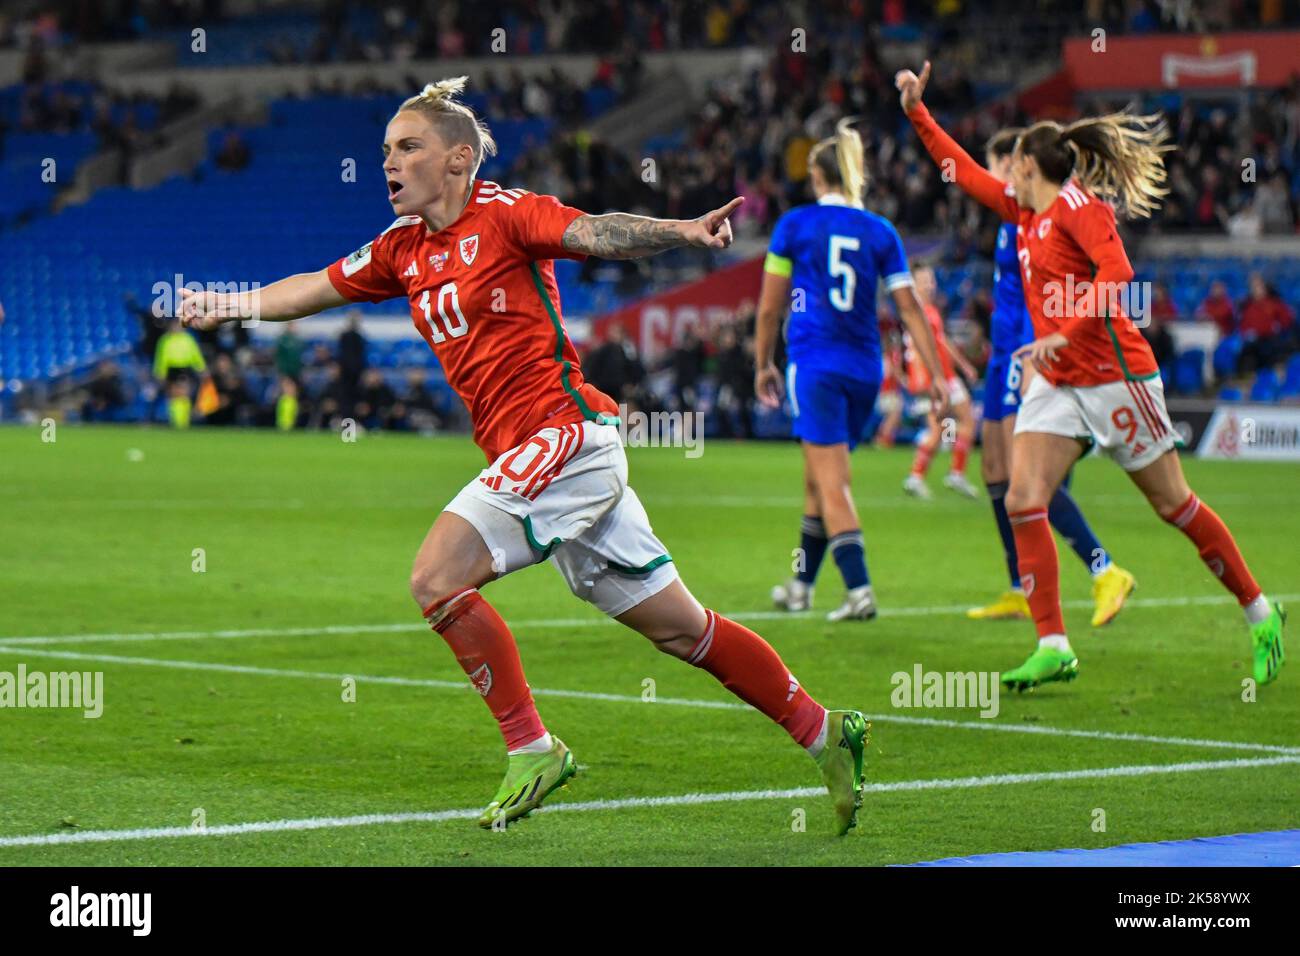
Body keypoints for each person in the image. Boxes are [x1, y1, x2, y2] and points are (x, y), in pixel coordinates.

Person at [178, 76, 869, 834]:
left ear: (458, 158)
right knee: (681, 629)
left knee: (436, 579)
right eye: (385, 150)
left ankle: (532, 746)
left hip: (566, 438)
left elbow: (594, 230)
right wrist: (232, 303)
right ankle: (824, 730)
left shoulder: (505, 214)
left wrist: (680, 231)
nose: (390, 162)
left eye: (408, 146)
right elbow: (315, 286)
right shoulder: (401, 249)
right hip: (544, 458)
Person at [897, 60, 1285, 690]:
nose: (1004, 176)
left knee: (1173, 505)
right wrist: (918, 111)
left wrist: (1060, 332)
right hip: (1058, 380)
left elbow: (1117, 276)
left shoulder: (1081, 210)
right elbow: (962, 171)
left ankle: (1261, 612)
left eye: (1012, 166)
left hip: (1114, 375)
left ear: (1028, 166)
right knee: (1024, 499)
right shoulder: (1024, 213)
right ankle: (1053, 642)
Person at [754, 117, 948, 622]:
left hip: (816, 366)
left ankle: (859, 590)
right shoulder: (880, 230)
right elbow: (908, 309)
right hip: (865, 368)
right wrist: (940, 376)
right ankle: (799, 585)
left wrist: (761, 363)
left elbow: (771, 307)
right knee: (818, 481)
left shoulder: (794, 225)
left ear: (817, 178)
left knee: (832, 482)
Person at [964, 127, 1136, 627]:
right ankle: (1020, 585)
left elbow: (1053, 287)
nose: (998, 174)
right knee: (995, 471)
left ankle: (1103, 567)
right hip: (1003, 353)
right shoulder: (1012, 217)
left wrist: (1035, 353)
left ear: (1017, 164)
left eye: (1000, 163)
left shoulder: (1036, 213)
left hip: (1026, 348)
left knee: (1027, 476)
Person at [901, 264, 979, 500]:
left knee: (951, 425)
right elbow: (916, 350)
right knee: (952, 424)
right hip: (940, 381)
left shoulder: (930, 310)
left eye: (931, 280)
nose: (930, 285)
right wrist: (926, 381)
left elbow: (941, 342)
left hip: (947, 378)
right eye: (925, 280)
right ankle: (931, 475)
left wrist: (963, 365)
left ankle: (935, 474)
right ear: (914, 284)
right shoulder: (917, 312)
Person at [153, 318, 206, 428]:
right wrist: (160, 372)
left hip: (185, 368)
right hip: (171, 369)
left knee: (184, 395)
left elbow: (195, 355)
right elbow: (161, 357)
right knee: (173, 396)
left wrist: (201, 368)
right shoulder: (165, 340)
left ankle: (184, 422)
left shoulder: (188, 339)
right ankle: (175, 422)